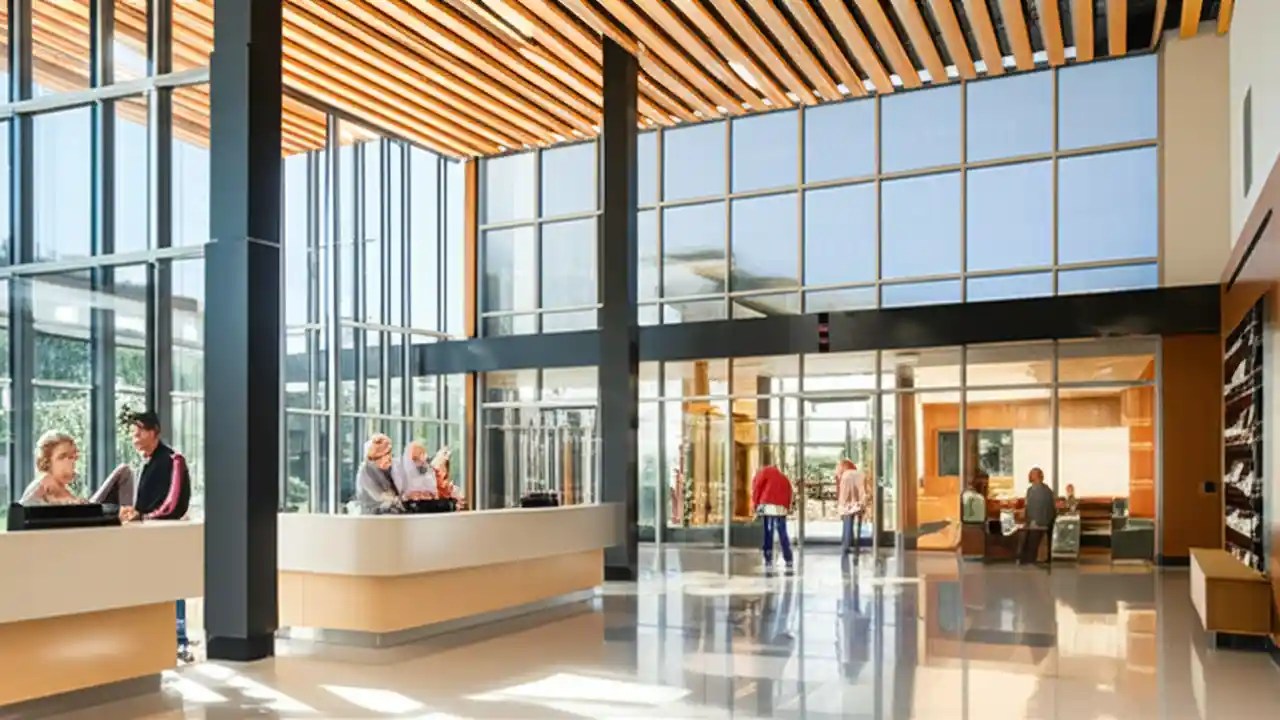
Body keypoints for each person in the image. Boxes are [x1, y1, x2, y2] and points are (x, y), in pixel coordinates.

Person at [122, 409, 193, 661]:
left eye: (139, 432)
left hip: (167, 539)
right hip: (146, 539)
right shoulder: (148, 463)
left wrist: (144, 517)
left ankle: (180, 640)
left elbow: (173, 505)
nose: (135, 438)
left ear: (154, 432)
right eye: (133, 433)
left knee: (174, 587)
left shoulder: (173, 460)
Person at [21, 431, 136, 511]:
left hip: (88, 519)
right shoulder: (43, 482)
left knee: (124, 471)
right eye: (62, 457)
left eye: (73, 457)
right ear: (46, 462)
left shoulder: (64, 488)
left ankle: (126, 515)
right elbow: (21, 508)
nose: (70, 463)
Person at [751, 464, 794, 573]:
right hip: (781, 508)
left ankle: (768, 556)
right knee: (782, 531)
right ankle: (788, 557)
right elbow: (789, 493)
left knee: (768, 531)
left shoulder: (763, 473)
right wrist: (787, 508)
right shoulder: (784, 478)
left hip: (767, 506)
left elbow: (757, 488)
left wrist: (755, 505)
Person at [356, 433, 402, 514]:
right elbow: (380, 496)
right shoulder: (366, 471)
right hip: (373, 517)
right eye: (384, 455)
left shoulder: (393, 466)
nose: (388, 458)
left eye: (389, 453)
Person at [1021, 467, 1056, 566]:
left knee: (1032, 540)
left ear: (1037, 476)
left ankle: (1030, 559)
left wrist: (1034, 520)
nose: (1029, 476)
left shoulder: (1037, 491)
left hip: (1038, 522)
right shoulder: (1045, 490)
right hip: (1044, 521)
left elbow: (1037, 507)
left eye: (1031, 474)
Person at [836, 459, 866, 556]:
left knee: (847, 522)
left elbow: (842, 492)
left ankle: (846, 545)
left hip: (847, 503)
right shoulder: (859, 474)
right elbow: (863, 490)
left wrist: (841, 504)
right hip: (858, 502)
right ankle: (854, 543)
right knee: (856, 523)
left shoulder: (844, 475)